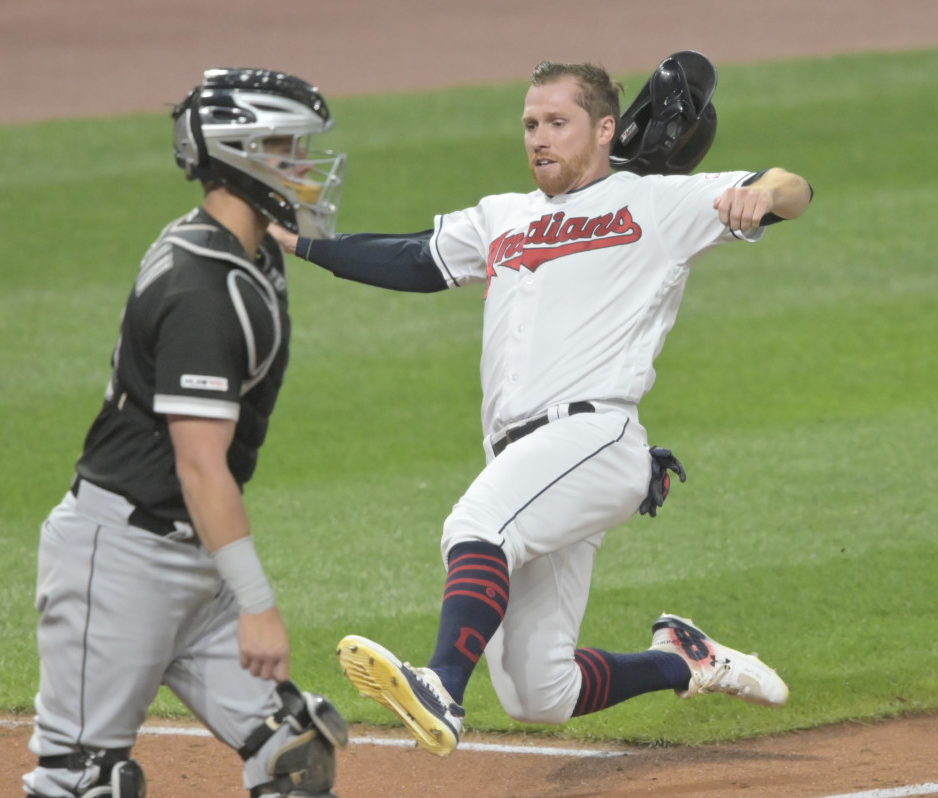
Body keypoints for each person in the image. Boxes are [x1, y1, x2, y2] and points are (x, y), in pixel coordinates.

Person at [270, 55, 813, 757]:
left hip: (596, 436)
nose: (539, 137)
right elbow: (412, 260)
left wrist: (763, 193)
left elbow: (793, 188)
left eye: (557, 122)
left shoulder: (656, 202)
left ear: (603, 128)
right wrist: (297, 242)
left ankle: (440, 684)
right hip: (526, 459)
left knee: (477, 521)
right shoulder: (505, 216)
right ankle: (685, 659)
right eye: (531, 124)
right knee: (537, 693)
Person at [22, 68, 350, 798]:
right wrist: (259, 606)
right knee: (84, 783)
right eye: (286, 147)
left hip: (189, 559)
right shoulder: (205, 290)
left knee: (293, 755)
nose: (303, 165)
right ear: (239, 154)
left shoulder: (247, 250)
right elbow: (201, 466)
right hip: (124, 563)